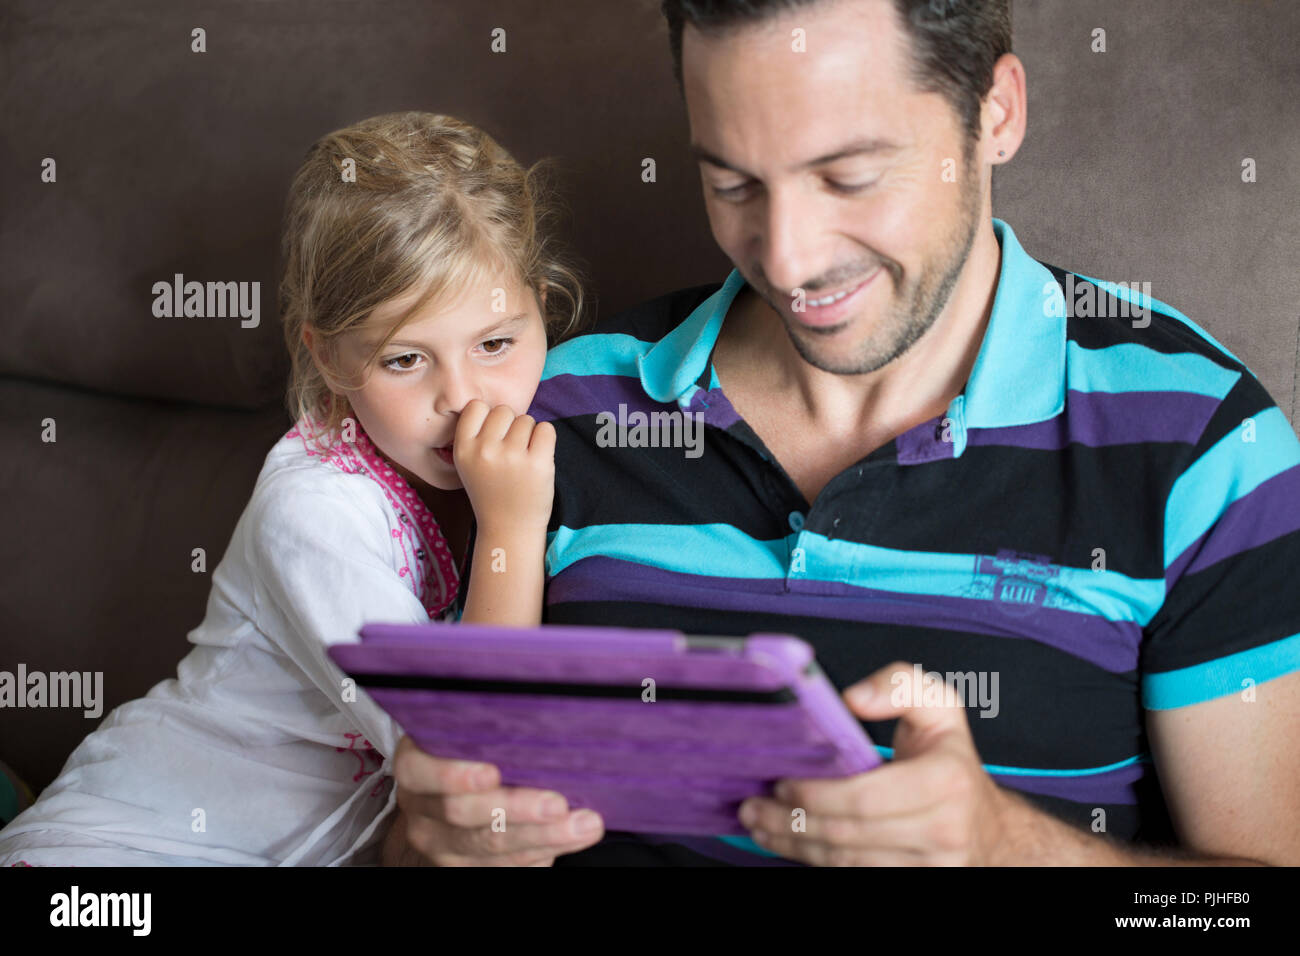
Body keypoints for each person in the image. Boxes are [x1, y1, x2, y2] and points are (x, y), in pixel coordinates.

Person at [381, 0, 1300, 866]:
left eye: (848, 177)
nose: (789, 259)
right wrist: (432, 841)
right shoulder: (563, 407)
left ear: (998, 114)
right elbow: (431, 827)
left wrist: (1003, 849)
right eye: (732, 183)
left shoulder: (1200, 443)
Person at [0, 111, 605, 866]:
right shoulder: (313, 512)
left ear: (543, 309)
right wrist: (511, 534)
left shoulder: (547, 435)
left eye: (495, 343)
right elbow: (475, 762)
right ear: (326, 358)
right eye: (404, 360)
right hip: (121, 851)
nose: (462, 396)